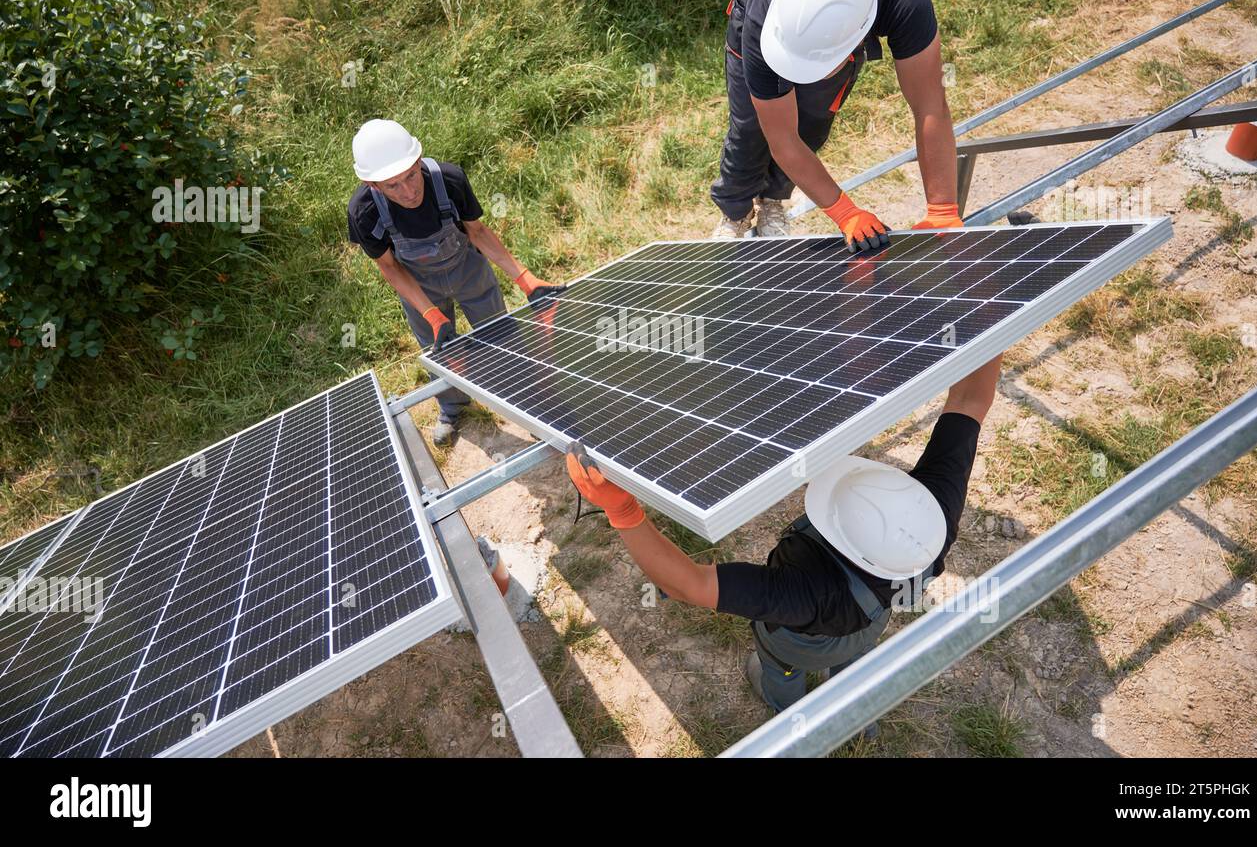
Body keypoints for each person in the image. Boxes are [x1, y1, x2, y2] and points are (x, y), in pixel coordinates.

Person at [565, 358, 1000, 731]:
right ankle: (853, 706)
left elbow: (687, 585)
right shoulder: (933, 516)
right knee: (856, 657)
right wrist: (993, 305)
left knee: (778, 667)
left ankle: (787, 708)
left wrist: (622, 510)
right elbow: (970, 402)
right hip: (871, 623)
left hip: (798, 644)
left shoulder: (802, 590)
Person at [711, 0, 963, 244]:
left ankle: (772, 197)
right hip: (762, 11)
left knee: (812, 123)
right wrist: (845, 212)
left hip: (851, 8)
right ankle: (735, 210)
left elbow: (930, 104)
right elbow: (781, 138)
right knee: (749, 126)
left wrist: (942, 209)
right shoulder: (763, 26)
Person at [347, 119, 564, 444]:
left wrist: (525, 278)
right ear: (373, 184)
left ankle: (528, 405)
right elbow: (389, 268)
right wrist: (432, 315)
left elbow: (477, 232)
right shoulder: (363, 212)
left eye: (410, 175)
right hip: (418, 286)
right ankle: (453, 408)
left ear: (418, 160)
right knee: (440, 354)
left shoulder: (448, 180)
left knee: (502, 336)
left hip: (468, 269)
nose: (408, 191)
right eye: (393, 186)